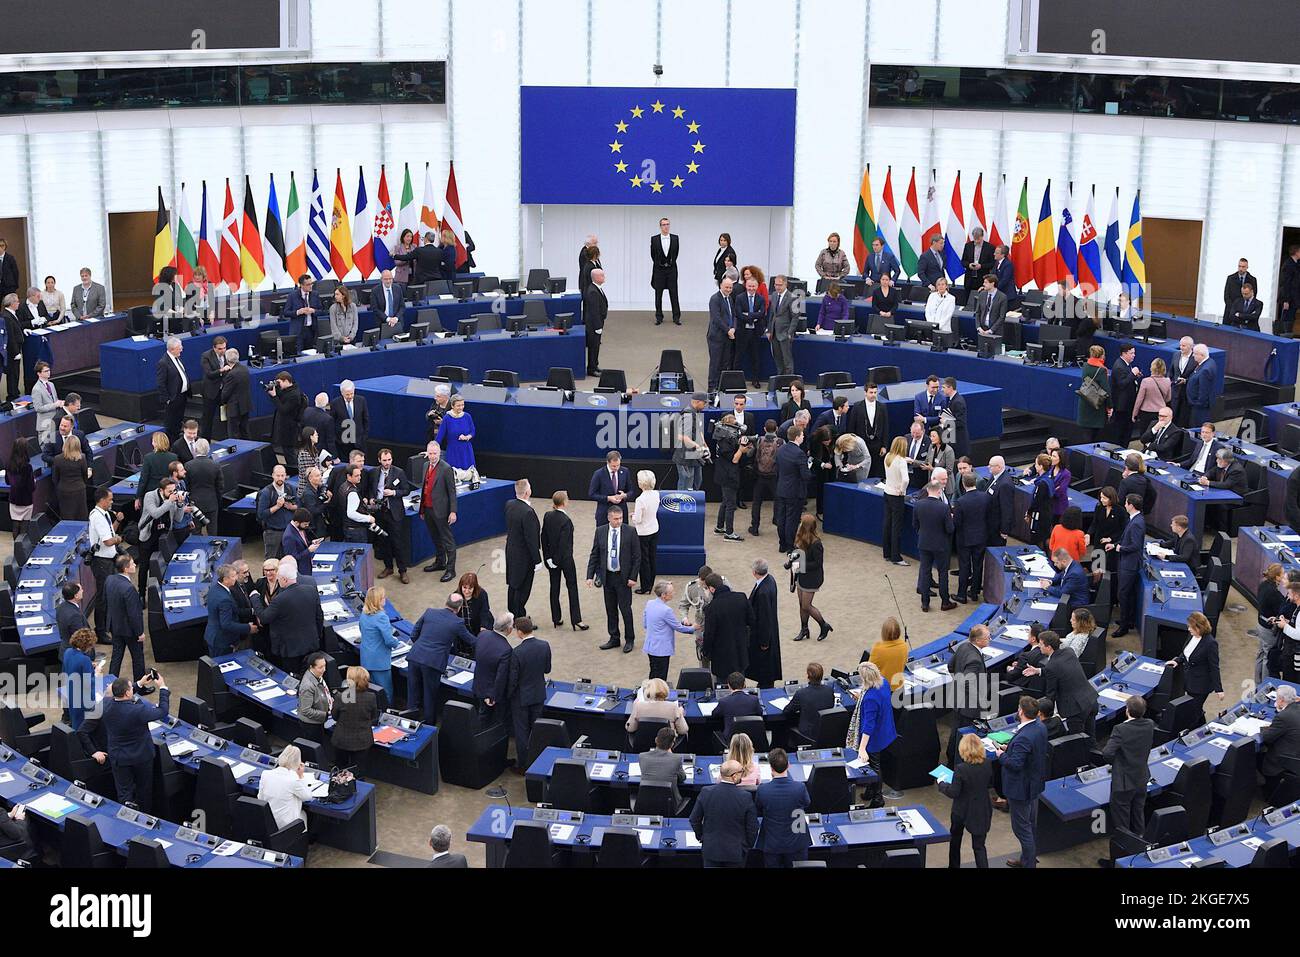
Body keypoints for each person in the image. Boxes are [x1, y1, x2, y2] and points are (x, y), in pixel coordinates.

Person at [78, 674, 171, 811]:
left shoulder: (105, 705)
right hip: (142, 758)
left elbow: (82, 730)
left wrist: (139, 684)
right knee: (143, 793)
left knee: (124, 794)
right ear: (128, 693)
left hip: (119, 758)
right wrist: (163, 687)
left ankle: (127, 819)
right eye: (131, 688)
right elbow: (163, 711)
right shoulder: (138, 710)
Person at [1097, 695, 1155, 863]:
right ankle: (1139, 853)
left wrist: (1116, 763)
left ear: (1127, 711)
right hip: (1141, 778)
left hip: (1123, 783)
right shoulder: (1149, 724)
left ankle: (1120, 860)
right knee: (1138, 815)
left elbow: (1107, 753)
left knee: (1122, 825)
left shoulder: (1120, 729)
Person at [993, 696, 1048, 868]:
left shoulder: (1025, 736)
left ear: (1021, 712)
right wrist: (1009, 748)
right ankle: (1026, 859)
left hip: (1021, 789)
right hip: (1034, 784)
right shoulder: (1039, 726)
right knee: (1030, 826)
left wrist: (1002, 755)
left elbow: (1015, 764)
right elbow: (1029, 753)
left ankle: (1029, 864)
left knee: (1022, 830)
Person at [406, 595, 477, 724]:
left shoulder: (429, 612)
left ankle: (410, 722)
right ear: (459, 607)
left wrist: (421, 648)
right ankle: (429, 725)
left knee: (412, 693)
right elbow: (471, 640)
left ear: (446, 602)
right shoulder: (457, 623)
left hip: (415, 657)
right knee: (429, 696)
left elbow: (414, 634)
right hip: (433, 663)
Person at [1025, 631, 1098, 737]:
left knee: (1078, 742)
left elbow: (1051, 695)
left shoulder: (1052, 666)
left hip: (1076, 709)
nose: (1039, 646)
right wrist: (1039, 671)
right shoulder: (1069, 652)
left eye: (1041, 644)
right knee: (1091, 737)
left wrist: (1044, 716)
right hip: (1091, 700)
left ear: (1048, 647)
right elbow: (1061, 670)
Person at [257, 559, 325, 673]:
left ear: (284, 579)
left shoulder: (280, 599)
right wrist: (317, 635)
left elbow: (264, 618)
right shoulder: (311, 591)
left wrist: (255, 598)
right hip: (311, 645)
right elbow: (319, 617)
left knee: (291, 680)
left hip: (289, 650)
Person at [587, 506, 639, 653]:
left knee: (625, 610)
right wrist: (590, 575)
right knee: (610, 610)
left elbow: (637, 557)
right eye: (616, 519)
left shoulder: (630, 531)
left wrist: (633, 577)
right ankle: (614, 638)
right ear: (609, 518)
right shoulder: (601, 531)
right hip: (608, 577)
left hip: (623, 579)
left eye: (621, 518)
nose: (619, 521)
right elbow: (594, 555)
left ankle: (630, 639)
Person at [690, 759, 758, 868]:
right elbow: (753, 827)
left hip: (711, 850)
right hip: (735, 852)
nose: (742, 775)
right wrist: (747, 846)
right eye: (741, 772)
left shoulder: (706, 792)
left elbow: (694, 820)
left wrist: (702, 837)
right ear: (734, 776)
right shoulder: (745, 797)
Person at [938, 732, 993, 868]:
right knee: (979, 847)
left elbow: (953, 792)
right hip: (981, 809)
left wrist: (941, 784)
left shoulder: (961, 769)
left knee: (955, 841)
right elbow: (990, 783)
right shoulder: (988, 764)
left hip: (961, 810)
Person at [849, 661, 901, 799]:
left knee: (874, 766)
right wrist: (861, 697)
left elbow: (868, 725)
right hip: (886, 729)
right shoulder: (883, 682)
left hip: (875, 737)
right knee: (876, 764)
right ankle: (871, 792)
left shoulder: (870, 699)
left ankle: (878, 797)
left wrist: (862, 748)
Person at [506, 616, 551, 765]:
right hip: (538, 694)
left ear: (519, 632)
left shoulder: (517, 652)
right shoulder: (545, 645)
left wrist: (508, 695)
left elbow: (513, 680)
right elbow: (547, 669)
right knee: (537, 731)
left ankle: (524, 764)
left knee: (521, 733)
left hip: (521, 698)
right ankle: (538, 762)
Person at [1167, 611, 1224, 719]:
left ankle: (1196, 730)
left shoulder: (1210, 643)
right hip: (1189, 680)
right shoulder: (1192, 635)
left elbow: (1214, 667)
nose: (1188, 629)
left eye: (1191, 627)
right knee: (1192, 709)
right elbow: (1186, 652)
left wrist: (1219, 689)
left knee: (1194, 710)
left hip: (1201, 685)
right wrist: (1178, 660)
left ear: (1199, 628)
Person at [542, 491, 585, 630]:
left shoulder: (547, 516)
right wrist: (556, 559)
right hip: (565, 560)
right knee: (572, 587)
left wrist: (548, 558)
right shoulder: (566, 521)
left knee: (554, 588)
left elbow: (544, 538)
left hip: (552, 561)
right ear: (564, 503)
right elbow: (564, 544)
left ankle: (556, 618)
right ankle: (576, 619)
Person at [415, 441, 458, 581]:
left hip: (441, 511)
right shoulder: (425, 465)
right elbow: (424, 488)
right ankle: (440, 562)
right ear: (427, 453)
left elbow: (452, 492)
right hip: (427, 510)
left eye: (435, 453)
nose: (432, 456)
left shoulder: (446, 469)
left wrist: (453, 511)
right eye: (430, 453)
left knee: (448, 541)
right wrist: (421, 509)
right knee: (435, 537)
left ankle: (451, 570)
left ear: (440, 453)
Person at [1108, 493, 1146, 639]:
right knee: (1126, 594)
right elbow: (1125, 539)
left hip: (1129, 564)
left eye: (1126, 503)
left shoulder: (1137, 523)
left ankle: (1124, 626)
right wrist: (1115, 545)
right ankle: (1127, 620)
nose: (1124, 505)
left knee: (1123, 594)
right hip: (1125, 562)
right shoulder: (1135, 519)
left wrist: (1120, 548)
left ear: (1131, 505)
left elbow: (1135, 545)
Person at [502, 478, 542, 617]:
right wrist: (537, 560)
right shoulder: (528, 512)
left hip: (511, 551)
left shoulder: (509, 504)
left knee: (513, 584)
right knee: (522, 588)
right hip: (524, 556)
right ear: (527, 492)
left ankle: (513, 613)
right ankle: (519, 617)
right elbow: (531, 539)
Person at [914, 479, 956, 612]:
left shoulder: (918, 505)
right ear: (939, 491)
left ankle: (925, 603)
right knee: (943, 573)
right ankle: (945, 602)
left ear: (927, 490)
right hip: (941, 545)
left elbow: (915, 525)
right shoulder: (943, 508)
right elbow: (950, 529)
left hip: (924, 543)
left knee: (925, 572)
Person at [788, 513, 831, 641]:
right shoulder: (800, 537)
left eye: (802, 523)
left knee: (806, 606)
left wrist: (801, 563)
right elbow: (797, 552)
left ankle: (824, 625)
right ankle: (804, 629)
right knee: (801, 604)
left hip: (812, 577)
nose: (800, 524)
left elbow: (818, 563)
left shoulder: (816, 543)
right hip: (801, 575)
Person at [703, 579, 754, 685]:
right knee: (740, 684)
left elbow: (709, 635)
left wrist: (706, 652)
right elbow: (752, 620)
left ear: (712, 589)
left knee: (723, 689)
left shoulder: (711, 607)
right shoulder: (741, 597)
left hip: (721, 657)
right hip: (740, 652)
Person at [642, 581, 696, 682]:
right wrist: (693, 628)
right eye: (671, 592)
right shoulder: (666, 610)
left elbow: (645, 624)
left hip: (651, 646)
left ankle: (650, 693)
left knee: (653, 672)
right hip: (661, 649)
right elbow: (678, 627)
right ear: (663, 595)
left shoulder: (649, 604)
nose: (674, 593)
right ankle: (658, 695)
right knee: (661, 677)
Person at [257, 745, 315, 834]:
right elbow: (308, 797)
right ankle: (301, 841)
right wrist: (301, 776)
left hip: (268, 820)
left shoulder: (266, 774)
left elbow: (260, 798)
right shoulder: (293, 780)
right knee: (303, 814)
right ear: (297, 763)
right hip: (286, 825)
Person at [330, 666, 378, 774]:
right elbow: (374, 716)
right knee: (358, 771)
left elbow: (334, 717)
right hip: (362, 741)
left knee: (340, 771)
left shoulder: (340, 697)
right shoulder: (371, 697)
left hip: (342, 740)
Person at [951, 472, 989, 603]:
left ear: (963, 483)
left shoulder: (961, 502)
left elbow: (957, 523)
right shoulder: (985, 497)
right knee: (978, 565)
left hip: (964, 539)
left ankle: (961, 594)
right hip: (981, 537)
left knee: (964, 566)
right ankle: (974, 592)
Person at [774, 425, 811, 553]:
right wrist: (809, 469)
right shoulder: (799, 454)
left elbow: (777, 469)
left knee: (781, 518)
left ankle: (782, 544)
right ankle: (790, 546)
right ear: (797, 437)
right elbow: (805, 475)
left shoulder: (781, 449)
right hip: (794, 492)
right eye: (802, 435)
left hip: (781, 489)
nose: (803, 437)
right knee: (792, 520)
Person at [473, 610, 514, 723]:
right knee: (488, 721)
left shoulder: (482, 635)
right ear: (509, 630)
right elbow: (501, 676)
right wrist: (493, 696)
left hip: (477, 686)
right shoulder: (506, 650)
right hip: (490, 695)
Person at [359, 586, 400, 697]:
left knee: (372, 692)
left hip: (366, 659)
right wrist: (397, 643)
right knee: (385, 693)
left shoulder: (363, 614)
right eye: (383, 597)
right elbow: (389, 640)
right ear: (378, 600)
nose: (385, 599)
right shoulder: (382, 617)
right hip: (379, 662)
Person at [205, 563, 254, 657]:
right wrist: (248, 627)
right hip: (222, 641)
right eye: (233, 576)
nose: (236, 578)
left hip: (213, 636)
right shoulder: (224, 599)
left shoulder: (215, 588)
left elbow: (233, 610)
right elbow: (226, 624)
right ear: (225, 579)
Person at [746, 558, 781, 689]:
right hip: (769, 632)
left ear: (754, 572)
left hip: (764, 636)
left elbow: (764, 618)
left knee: (764, 667)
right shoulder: (769, 580)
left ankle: (765, 687)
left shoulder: (763, 592)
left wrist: (764, 642)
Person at [1260, 684, 1300, 793]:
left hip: (1286, 759)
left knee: (1259, 755)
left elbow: (1267, 738)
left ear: (1281, 701)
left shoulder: (1283, 717)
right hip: (1297, 753)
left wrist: (1265, 729)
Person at [782, 661, 836, 740]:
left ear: (808, 676)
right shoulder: (829, 690)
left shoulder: (801, 693)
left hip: (808, 733)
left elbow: (787, 711)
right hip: (825, 730)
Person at [878, 435, 910, 566]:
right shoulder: (901, 461)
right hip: (897, 496)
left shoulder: (888, 457)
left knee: (887, 523)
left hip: (887, 493)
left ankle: (887, 553)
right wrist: (902, 490)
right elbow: (906, 479)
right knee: (896, 527)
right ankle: (896, 556)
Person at [639, 726, 687, 812]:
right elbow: (682, 778)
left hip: (646, 803)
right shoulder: (677, 759)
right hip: (670, 805)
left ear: (656, 740)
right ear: (672, 744)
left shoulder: (642, 757)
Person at [712, 413, 745, 541]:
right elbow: (734, 459)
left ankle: (720, 527)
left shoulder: (723, 438)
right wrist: (741, 449)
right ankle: (729, 533)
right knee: (731, 505)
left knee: (725, 501)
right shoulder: (725, 442)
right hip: (728, 476)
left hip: (723, 473)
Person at [61, 627, 101, 731]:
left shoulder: (68, 652)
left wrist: (89, 666)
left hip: (71, 694)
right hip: (84, 699)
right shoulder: (85, 660)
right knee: (84, 728)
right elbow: (89, 683)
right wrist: (96, 673)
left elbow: (68, 669)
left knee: (76, 723)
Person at [1253, 563, 1285, 684]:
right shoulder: (1273, 593)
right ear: (1277, 577)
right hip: (1268, 629)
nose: (1283, 577)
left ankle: (1257, 682)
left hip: (1260, 625)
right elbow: (1282, 609)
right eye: (1282, 574)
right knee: (1268, 656)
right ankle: (1266, 684)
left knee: (1261, 653)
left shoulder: (1263, 585)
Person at [629, 470, 660, 593]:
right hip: (654, 528)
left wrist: (633, 516)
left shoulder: (640, 499)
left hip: (643, 533)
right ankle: (650, 583)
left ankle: (645, 587)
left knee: (643, 560)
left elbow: (638, 519)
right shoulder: (656, 494)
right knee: (652, 558)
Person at [256, 464, 296, 559]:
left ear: (286, 475)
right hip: (273, 533)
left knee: (289, 559)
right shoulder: (266, 492)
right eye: (278, 475)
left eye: (282, 475)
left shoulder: (291, 488)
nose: (280, 478)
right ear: (273, 475)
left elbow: (299, 506)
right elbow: (261, 514)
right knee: (271, 560)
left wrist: (291, 507)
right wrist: (277, 506)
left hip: (289, 530)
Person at [294, 651, 333, 743]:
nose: (324, 669)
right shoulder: (307, 686)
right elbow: (306, 710)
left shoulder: (317, 675)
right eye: (320, 667)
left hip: (318, 721)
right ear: (311, 667)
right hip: (311, 725)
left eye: (324, 666)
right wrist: (326, 715)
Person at [672, 393, 709, 491]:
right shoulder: (688, 414)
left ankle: (693, 502)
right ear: (697, 402)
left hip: (694, 455)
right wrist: (697, 446)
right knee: (686, 483)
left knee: (697, 481)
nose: (705, 405)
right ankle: (682, 504)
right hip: (685, 456)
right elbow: (681, 436)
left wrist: (705, 445)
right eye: (704, 403)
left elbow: (698, 430)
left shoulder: (695, 412)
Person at [705, 276, 736, 392]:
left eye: (730, 287)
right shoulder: (715, 299)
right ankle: (712, 387)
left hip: (728, 337)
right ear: (721, 286)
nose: (729, 289)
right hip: (716, 337)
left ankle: (721, 385)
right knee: (715, 363)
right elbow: (716, 318)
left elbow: (733, 315)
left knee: (725, 363)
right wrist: (728, 330)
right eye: (727, 287)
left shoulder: (729, 299)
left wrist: (733, 328)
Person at [156, 336, 190, 439]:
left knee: (178, 421)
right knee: (171, 424)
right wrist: (167, 399)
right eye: (179, 347)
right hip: (172, 399)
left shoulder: (177, 358)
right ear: (172, 349)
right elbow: (161, 383)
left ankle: (176, 439)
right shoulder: (163, 363)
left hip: (181, 396)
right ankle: (170, 443)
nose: (182, 349)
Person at [651, 217, 681, 325]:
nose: (666, 226)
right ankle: (659, 317)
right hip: (659, 271)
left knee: (674, 293)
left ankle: (676, 317)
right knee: (658, 294)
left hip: (672, 270)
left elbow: (676, 253)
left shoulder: (675, 238)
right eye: (663, 224)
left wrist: (670, 263)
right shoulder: (654, 239)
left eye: (667, 224)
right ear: (660, 226)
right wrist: (660, 264)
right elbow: (653, 255)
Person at [589, 449, 632, 524]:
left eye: (618, 465)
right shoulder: (599, 474)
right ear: (607, 462)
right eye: (613, 466)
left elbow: (631, 491)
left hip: (621, 511)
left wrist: (624, 495)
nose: (616, 468)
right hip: (604, 513)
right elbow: (592, 494)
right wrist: (608, 498)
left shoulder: (625, 471)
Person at [1132, 358, 1172, 438]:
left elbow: (1139, 400)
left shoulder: (1146, 381)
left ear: (1152, 368)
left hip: (1146, 413)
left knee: (1145, 435)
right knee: (1157, 435)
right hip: (1160, 413)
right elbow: (1168, 398)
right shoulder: (1167, 381)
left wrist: (1134, 414)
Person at [767, 275, 797, 377]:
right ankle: (780, 378)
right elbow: (771, 314)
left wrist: (790, 333)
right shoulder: (774, 295)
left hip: (785, 333)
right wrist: (769, 330)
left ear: (785, 284)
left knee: (787, 359)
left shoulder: (794, 297)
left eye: (780, 285)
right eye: (776, 285)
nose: (777, 287)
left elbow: (795, 317)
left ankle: (789, 381)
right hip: (775, 333)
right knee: (777, 358)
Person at [331, 380, 370, 460]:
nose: (350, 396)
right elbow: (332, 422)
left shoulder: (361, 400)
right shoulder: (335, 403)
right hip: (343, 444)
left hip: (359, 442)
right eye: (347, 394)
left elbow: (366, 420)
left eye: (352, 393)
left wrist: (364, 437)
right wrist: (337, 439)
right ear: (342, 393)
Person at [218, 348, 252, 439]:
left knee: (234, 434)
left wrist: (222, 401)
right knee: (245, 431)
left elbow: (225, 393)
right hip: (245, 406)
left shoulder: (231, 374)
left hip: (234, 408)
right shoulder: (245, 369)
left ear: (227, 359)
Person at [284, 273, 323, 348]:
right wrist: (298, 312)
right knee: (299, 353)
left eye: (311, 283)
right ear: (301, 285)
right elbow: (286, 312)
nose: (311, 286)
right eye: (308, 284)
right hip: (298, 331)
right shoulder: (292, 296)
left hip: (311, 330)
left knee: (311, 352)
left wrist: (313, 311)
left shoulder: (315, 294)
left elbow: (321, 311)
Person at [1185, 343, 1217, 427]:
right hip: (1198, 405)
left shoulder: (1205, 370)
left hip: (1200, 407)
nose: (1193, 356)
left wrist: (1197, 403)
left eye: (1195, 354)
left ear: (1202, 355)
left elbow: (1204, 391)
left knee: (1198, 428)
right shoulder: (1208, 362)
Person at [582, 266, 607, 376]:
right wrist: (597, 326)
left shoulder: (596, 288)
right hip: (593, 325)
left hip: (597, 323)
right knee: (593, 346)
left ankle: (595, 365)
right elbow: (594, 311)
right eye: (602, 275)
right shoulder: (592, 291)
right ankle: (591, 368)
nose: (604, 277)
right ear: (596, 277)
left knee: (596, 346)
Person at [30, 360, 61, 445]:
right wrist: (54, 405)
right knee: (47, 449)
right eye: (46, 371)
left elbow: (55, 400)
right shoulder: (36, 389)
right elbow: (38, 408)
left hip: (55, 421)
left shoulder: (51, 384)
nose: (48, 372)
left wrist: (60, 403)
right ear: (39, 373)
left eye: (49, 370)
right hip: (45, 424)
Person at [0, 294, 21, 402]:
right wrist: (15, 352)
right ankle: (13, 396)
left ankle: (15, 393)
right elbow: (10, 336)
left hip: (15, 349)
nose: (18, 303)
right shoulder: (6, 316)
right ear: (12, 303)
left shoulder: (11, 314)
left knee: (16, 374)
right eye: (17, 301)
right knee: (13, 374)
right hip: (12, 352)